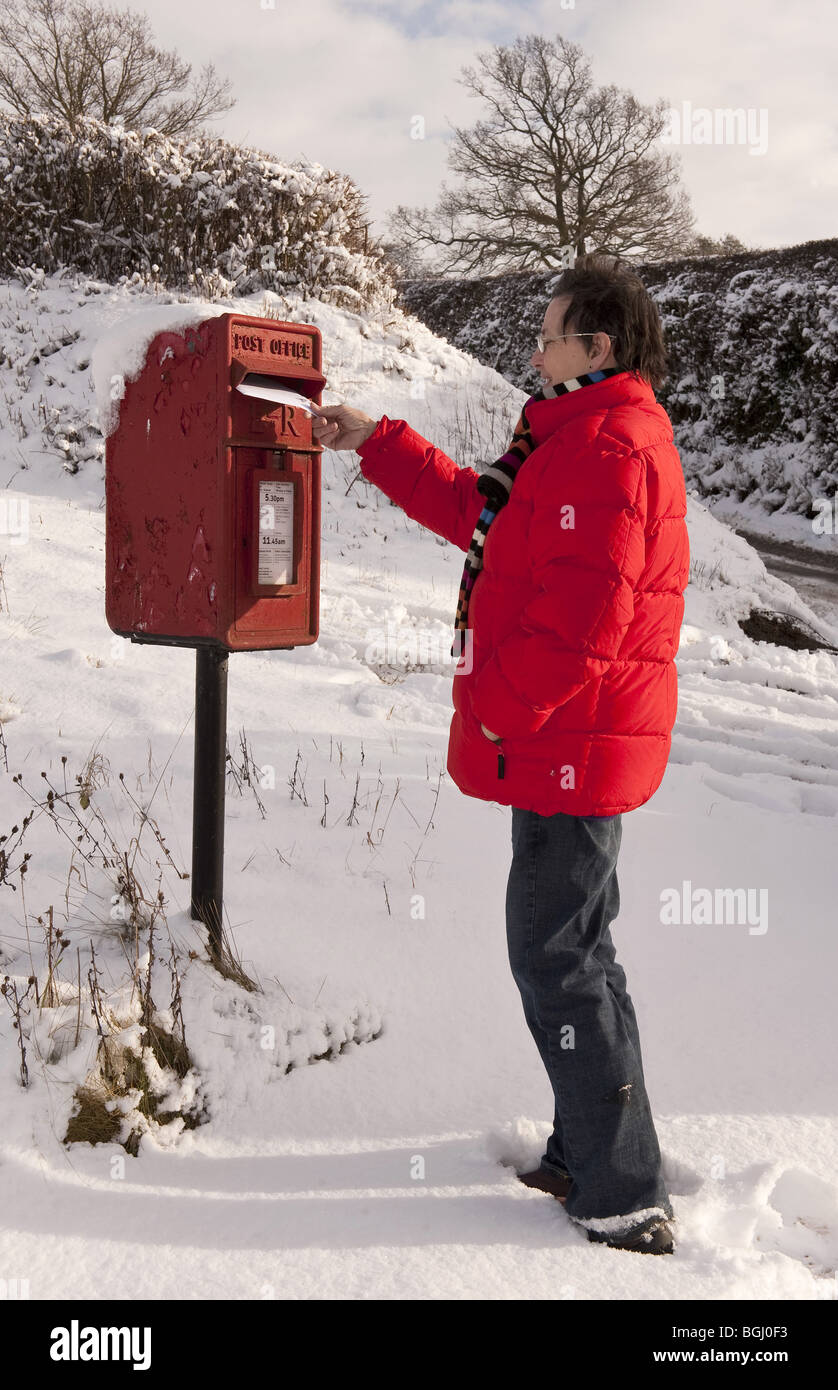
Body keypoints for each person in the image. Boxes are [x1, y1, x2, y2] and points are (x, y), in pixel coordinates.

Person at [312, 253, 690, 1255]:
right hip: (573, 743)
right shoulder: (574, 438)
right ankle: (588, 1152)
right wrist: (376, 440)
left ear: (595, 346)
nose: (533, 351)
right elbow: (481, 516)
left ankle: (623, 1196)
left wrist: (495, 712)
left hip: (567, 746)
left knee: (558, 960)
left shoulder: (607, 449)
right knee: (579, 955)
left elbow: (583, 624)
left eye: (548, 335)